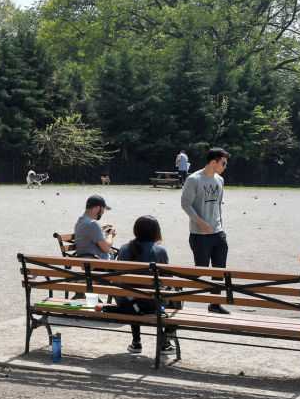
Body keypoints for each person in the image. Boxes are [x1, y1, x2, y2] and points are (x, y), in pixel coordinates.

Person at [97, 215, 176, 356]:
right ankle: (165, 342)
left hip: (126, 303)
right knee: (176, 299)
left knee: (132, 292)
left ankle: (136, 342)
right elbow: (167, 280)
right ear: (156, 232)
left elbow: (118, 275)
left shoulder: (125, 248)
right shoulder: (160, 251)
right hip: (151, 304)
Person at [180, 147, 230, 315]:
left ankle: (214, 303)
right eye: (223, 163)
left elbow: (218, 206)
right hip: (199, 234)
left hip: (218, 233)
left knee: (219, 270)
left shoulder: (220, 180)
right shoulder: (193, 179)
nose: (225, 166)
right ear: (213, 162)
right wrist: (199, 222)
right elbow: (185, 203)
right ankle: (177, 287)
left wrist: (221, 228)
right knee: (200, 270)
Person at [73, 195, 116, 259]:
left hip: (89, 262)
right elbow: (106, 248)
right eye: (103, 209)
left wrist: (101, 230)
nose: (103, 212)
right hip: (100, 265)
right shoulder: (93, 224)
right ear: (97, 208)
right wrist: (110, 235)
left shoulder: (80, 222)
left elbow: (89, 237)